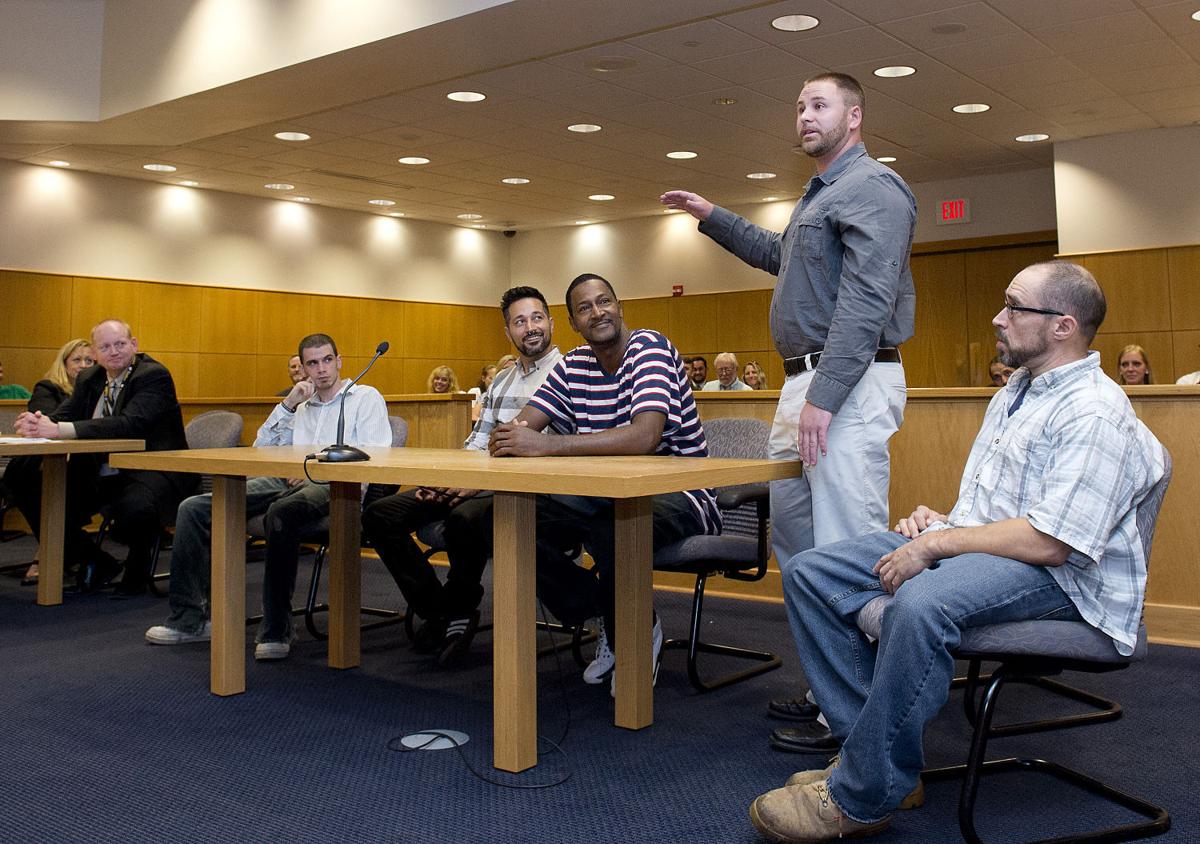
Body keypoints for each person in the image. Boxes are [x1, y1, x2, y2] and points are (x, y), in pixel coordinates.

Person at [748, 261, 1164, 842]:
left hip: (1067, 582)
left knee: (921, 602)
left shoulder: (1094, 410)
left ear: (1063, 326)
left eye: (1016, 307)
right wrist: (941, 521)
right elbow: (996, 513)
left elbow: (1051, 542)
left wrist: (938, 543)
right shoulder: (1018, 392)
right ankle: (881, 763)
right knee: (812, 572)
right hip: (998, 555)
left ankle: (862, 797)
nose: (999, 318)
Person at [662, 71, 916, 736]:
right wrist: (711, 217)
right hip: (807, 382)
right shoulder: (822, 194)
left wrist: (826, 396)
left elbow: (866, 301)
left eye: (820, 104)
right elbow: (781, 256)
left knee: (848, 545)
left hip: (845, 383)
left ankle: (862, 721)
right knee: (803, 551)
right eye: (799, 104)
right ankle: (833, 689)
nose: (805, 114)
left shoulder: (874, 188)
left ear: (855, 117)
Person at [489, 273, 720, 694]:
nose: (598, 312)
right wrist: (512, 435)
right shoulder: (574, 364)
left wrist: (545, 445)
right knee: (509, 517)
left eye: (604, 302)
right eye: (584, 308)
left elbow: (644, 436)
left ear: (620, 307)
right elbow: (515, 431)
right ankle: (604, 614)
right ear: (574, 324)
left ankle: (630, 629)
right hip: (602, 494)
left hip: (680, 495)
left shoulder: (649, 348)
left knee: (612, 526)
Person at [144, 333, 391, 659]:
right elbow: (262, 450)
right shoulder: (300, 404)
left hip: (336, 484)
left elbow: (377, 454)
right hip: (286, 479)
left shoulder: (364, 397)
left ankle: (277, 629)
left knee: (281, 513)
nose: (321, 370)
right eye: (312, 363)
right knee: (194, 508)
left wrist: (314, 469)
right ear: (303, 368)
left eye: (327, 360)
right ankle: (190, 620)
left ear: (339, 361)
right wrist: (288, 405)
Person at [362, 287, 562, 665]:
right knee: (379, 515)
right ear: (508, 333)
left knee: (461, 516)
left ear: (551, 323)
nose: (530, 328)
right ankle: (443, 610)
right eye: (519, 322)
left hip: (529, 491)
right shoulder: (501, 381)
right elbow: (477, 442)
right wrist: (447, 480)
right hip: (479, 480)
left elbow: (549, 454)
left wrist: (472, 486)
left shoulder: (567, 374)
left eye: (536, 318)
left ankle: (456, 608)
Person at [7, 319, 195, 594]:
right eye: (105, 347)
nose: (114, 351)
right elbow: (66, 414)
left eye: (120, 344)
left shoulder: (153, 375)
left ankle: (138, 568)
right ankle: (92, 559)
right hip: (104, 471)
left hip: (153, 471)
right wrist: (38, 424)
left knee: (134, 506)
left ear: (134, 345)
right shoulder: (90, 377)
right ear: (95, 353)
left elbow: (129, 424)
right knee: (27, 485)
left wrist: (59, 429)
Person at [20, 338, 95, 583]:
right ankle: (82, 553)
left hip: (85, 463)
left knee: (59, 488)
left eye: (90, 361)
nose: (84, 366)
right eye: (77, 360)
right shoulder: (48, 387)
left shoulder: (101, 392)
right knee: (23, 478)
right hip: (43, 461)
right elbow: (46, 421)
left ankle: (51, 553)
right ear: (63, 364)